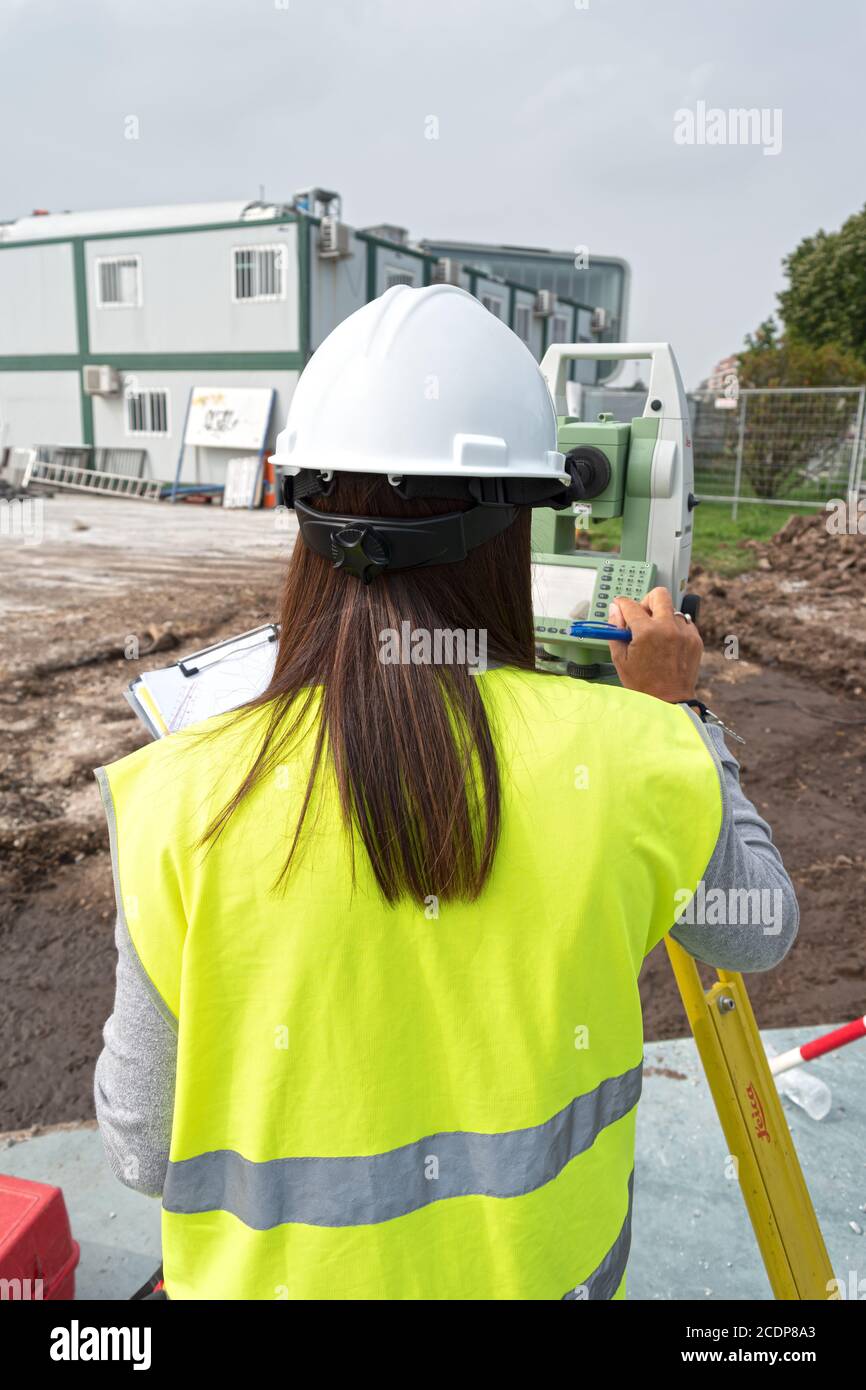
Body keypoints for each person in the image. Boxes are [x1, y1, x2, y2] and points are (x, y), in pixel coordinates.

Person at [94, 285, 798, 1300]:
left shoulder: (177, 794)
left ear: (298, 510)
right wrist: (680, 711)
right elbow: (758, 931)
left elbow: (144, 1148)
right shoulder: (639, 756)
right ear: (520, 521)